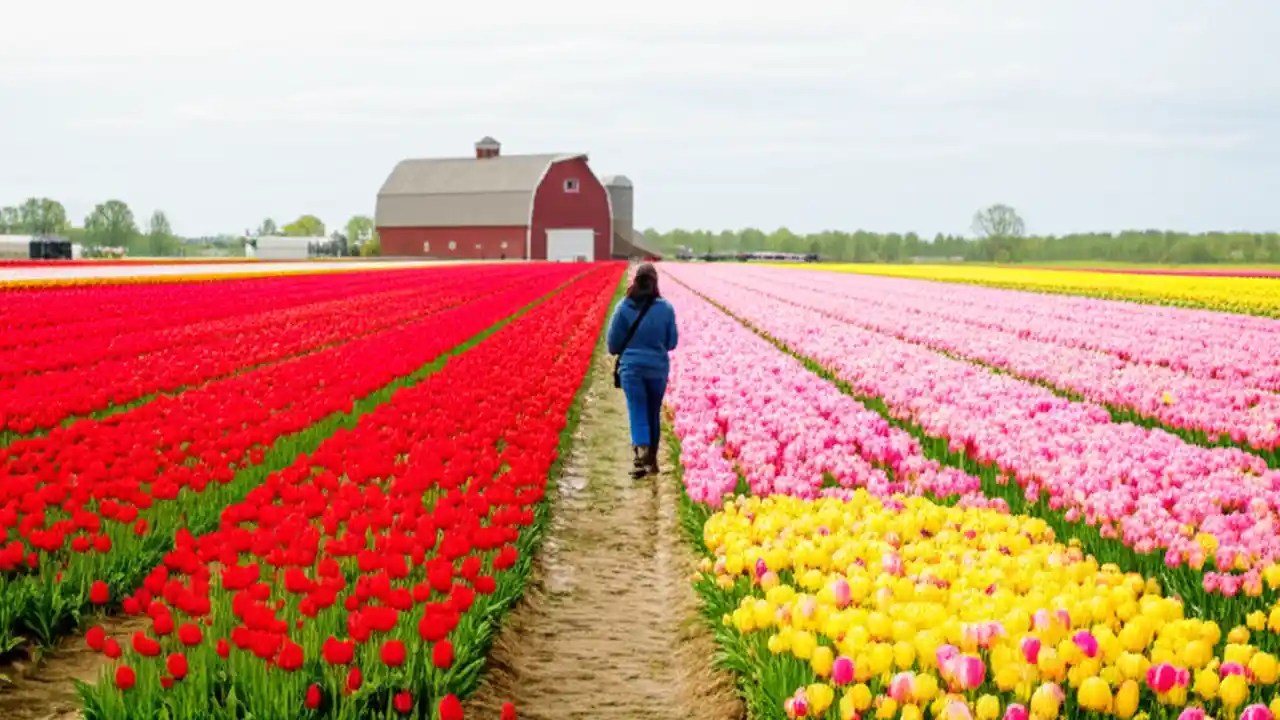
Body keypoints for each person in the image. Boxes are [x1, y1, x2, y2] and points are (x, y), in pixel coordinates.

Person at [606, 263, 678, 478]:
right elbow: (672, 342)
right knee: (653, 412)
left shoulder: (623, 308)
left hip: (632, 370)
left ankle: (640, 454)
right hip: (657, 369)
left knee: (637, 409)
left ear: (635, 281)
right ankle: (652, 461)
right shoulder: (666, 309)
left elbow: (612, 345)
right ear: (655, 283)